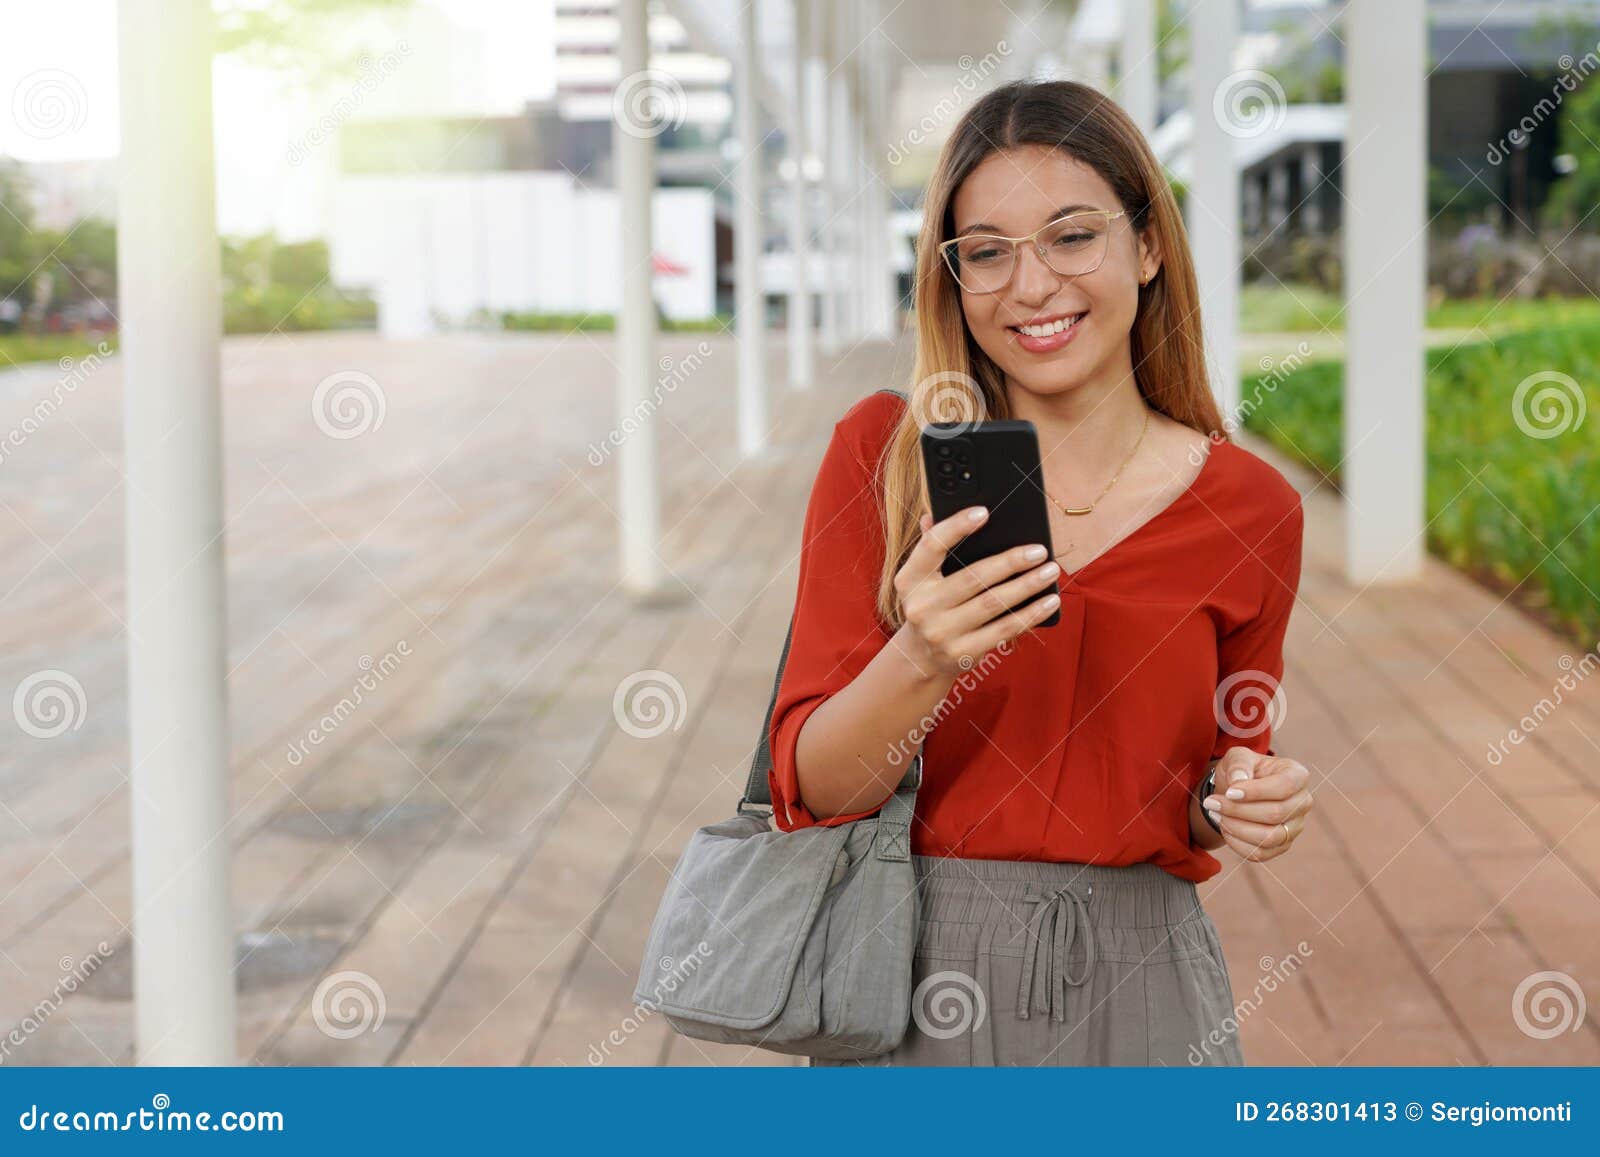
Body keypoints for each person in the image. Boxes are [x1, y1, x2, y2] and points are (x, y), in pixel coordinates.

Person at [766, 79, 1312, 1066]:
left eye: (1071, 236)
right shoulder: (882, 460)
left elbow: (1211, 781)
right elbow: (816, 788)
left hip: (1146, 987)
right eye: (986, 251)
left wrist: (1244, 798)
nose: (1029, 285)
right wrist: (922, 655)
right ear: (953, 276)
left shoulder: (1251, 507)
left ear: (1146, 246)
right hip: (907, 977)